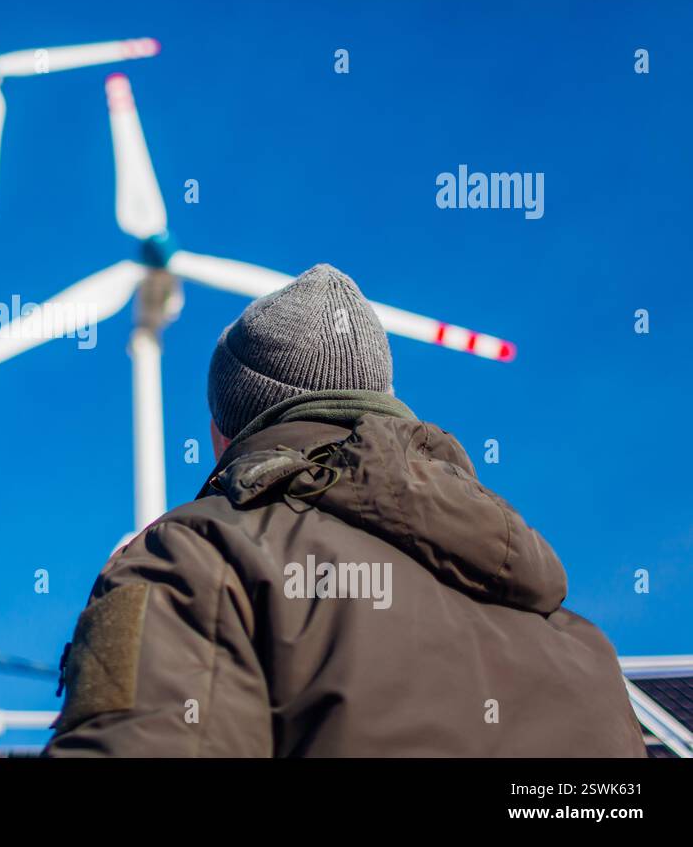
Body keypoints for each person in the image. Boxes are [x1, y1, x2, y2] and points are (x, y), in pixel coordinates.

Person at [44, 263, 645, 757]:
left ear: (223, 435)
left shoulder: (199, 557)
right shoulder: (579, 642)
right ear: (383, 401)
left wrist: (141, 588)